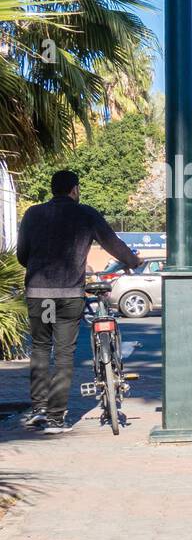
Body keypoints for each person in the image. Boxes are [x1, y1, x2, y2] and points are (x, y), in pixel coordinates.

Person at [15, 169, 142, 434]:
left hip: (39, 294)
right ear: (74, 190)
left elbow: (22, 255)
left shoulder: (33, 214)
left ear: (52, 189)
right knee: (63, 354)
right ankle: (56, 419)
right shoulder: (86, 213)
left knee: (40, 349)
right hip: (69, 295)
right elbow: (112, 242)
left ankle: (38, 409)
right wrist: (133, 261)